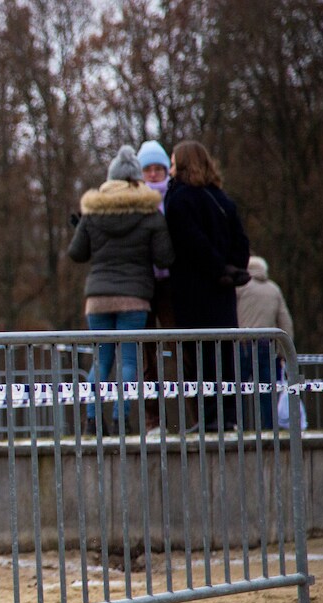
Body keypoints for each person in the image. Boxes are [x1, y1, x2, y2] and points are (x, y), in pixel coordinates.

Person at [68, 146, 174, 435]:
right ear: (136, 178)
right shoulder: (150, 213)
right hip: (135, 297)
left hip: (98, 298)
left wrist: (82, 229)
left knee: (101, 359)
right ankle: (120, 418)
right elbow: (165, 258)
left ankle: (92, 421)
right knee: (128, 359)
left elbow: (77, 253)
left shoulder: (93, 212)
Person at [164, 140, 250, 431]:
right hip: (223, 292)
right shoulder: (222, 199)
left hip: (193, 292)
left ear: (183, 165)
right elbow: (241, 241)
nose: (170, 170)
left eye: (173, 163)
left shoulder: (179, 200)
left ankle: (210, 417)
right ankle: (229, 416)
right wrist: (234, 269)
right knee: (225, 356)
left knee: (200, 357)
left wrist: (218, 269)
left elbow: (192, 242)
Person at [137, 140, 174, 432]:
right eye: (147, 169)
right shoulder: (134, 200)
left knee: (182, 348)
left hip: (172, 283)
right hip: (142, 284)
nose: (152, 174)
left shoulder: (176, 198)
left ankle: (191, 416)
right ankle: (153, 420)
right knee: (146, 356)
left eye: (157, 168)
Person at [236, 255, 295, 429]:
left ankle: (237, 427)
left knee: (235, 390)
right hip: (266, 346)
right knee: (268, 392)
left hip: (242, 345)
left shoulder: (240, 288)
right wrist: (285, 352)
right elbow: (285, 323)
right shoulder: (274, 290)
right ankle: (270, 430)